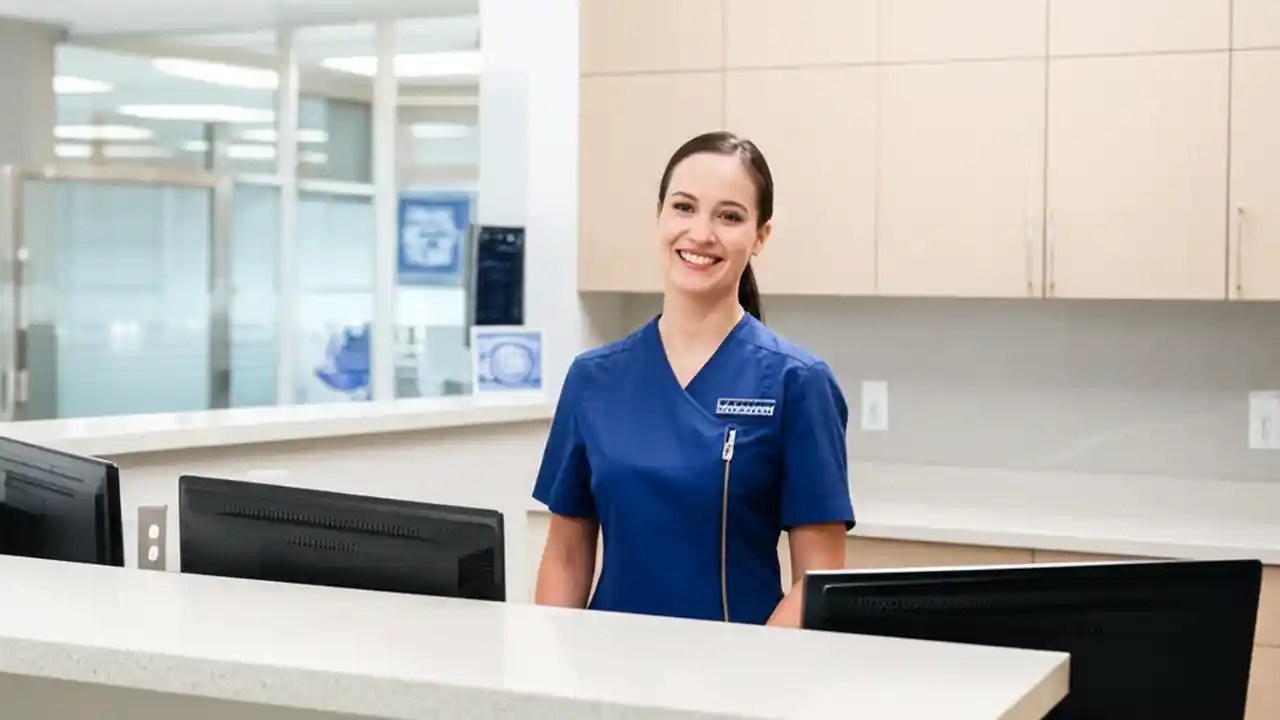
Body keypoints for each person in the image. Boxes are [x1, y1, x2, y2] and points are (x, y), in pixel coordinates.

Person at [532, 130, 855, 627]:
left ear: (761, 236)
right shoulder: (593, 379)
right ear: (658, 215)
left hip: (734, 682)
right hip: (605, 678)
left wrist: (742, 679)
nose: (701, 233)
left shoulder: (797, 383)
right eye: (684, 207)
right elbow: (566, 557)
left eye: (729, 216)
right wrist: (553, 671)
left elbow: (817, 581)